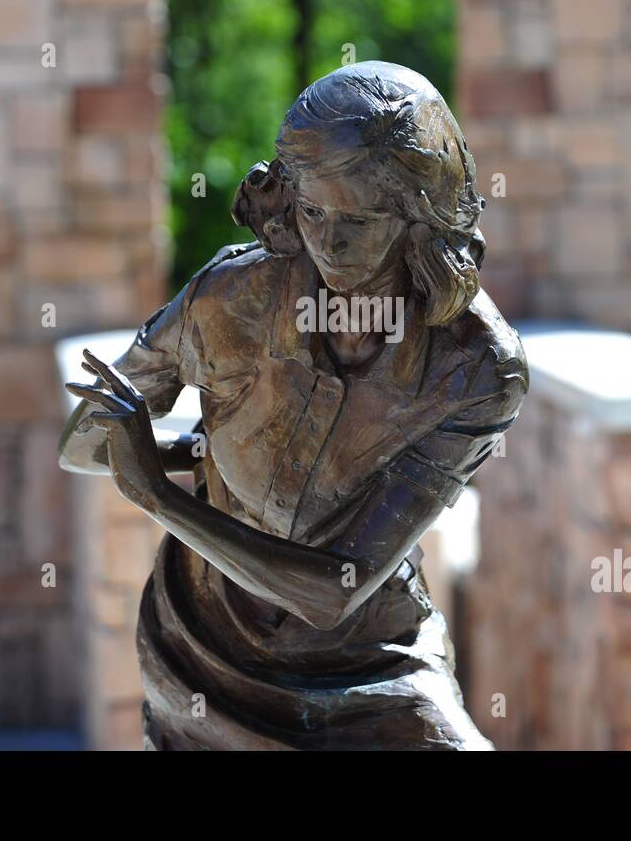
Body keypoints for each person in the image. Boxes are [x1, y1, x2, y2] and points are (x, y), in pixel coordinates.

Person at [59, 61, 527, 750]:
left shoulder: (474, 366)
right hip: (204, 648)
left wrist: (159, 494)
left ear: (417, 217)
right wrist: (192, 449)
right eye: (312, 211)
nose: (329, 244)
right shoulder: (230, 297)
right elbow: (83, 445)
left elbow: (335, 589)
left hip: (371, 661)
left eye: (360, 219)